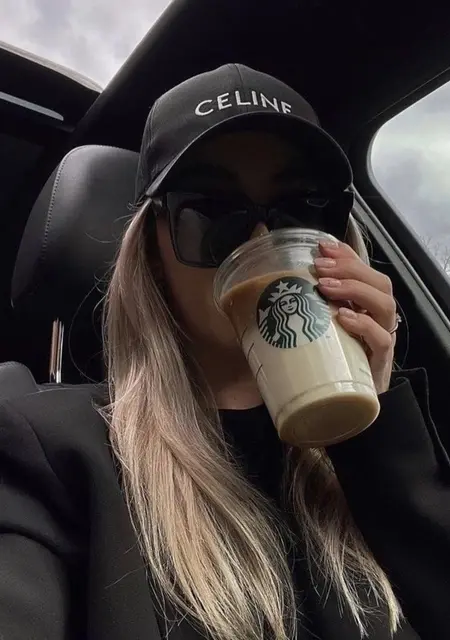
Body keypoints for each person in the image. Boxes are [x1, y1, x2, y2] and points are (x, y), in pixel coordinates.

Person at [0, 64, 449, 640]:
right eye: (211, 211)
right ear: (153, 253)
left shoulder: (378, 462)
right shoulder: (49, 452)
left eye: (303, 206)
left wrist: (374, 437)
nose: (263, 242)